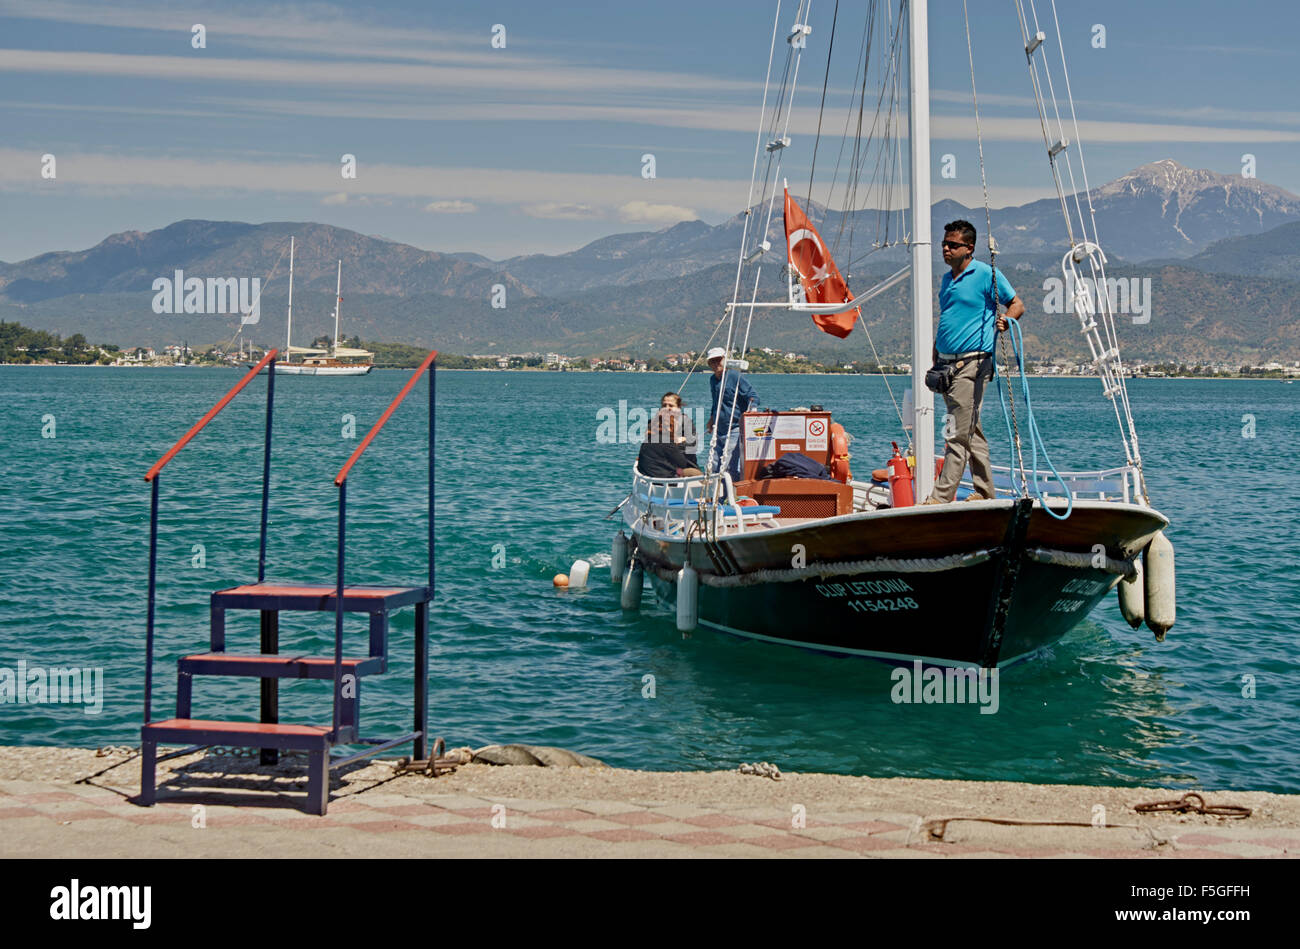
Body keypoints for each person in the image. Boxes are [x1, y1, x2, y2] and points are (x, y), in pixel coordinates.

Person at [924, 220, 1024, 504]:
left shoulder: (986, 274)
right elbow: (949, 316)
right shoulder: (947, 279)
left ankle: (939, 499)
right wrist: (936, 348)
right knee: (970, 429)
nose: (945, 248)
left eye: (952, 245)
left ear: (969, 248)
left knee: (956, 431)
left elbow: (1017, 303)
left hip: (972, 364)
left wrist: (1007, 319)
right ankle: (984, 492)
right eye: (944, 243)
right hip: (945, 364)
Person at [705, 347, 758, 482]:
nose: (716, 364)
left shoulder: (734, 376)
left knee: (728, 464)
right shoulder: (713, 380)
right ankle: (716, 494)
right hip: (719, 427)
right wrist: (711, 420)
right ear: (709, 364)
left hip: (734, 428)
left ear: (725, 360)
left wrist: (752, 411)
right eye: (712, 361)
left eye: (719, 360)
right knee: (715, 464)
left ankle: (728, 497)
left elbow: (753, 396)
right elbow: (716, 402)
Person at [636, 407, 702, 478]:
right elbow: (682, 463)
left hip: (648, 476)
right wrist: (676, 443)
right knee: (694, 472)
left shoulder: (648, 440)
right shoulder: (668, 443)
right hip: (664, 480)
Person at [660, 391, 699, 466]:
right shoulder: (657, 423)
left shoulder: (686, 422)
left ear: (678, 407)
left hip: (686, 465)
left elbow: (692, 445)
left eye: (671, 406)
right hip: (663, 467)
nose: (667, 408)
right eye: (664, 405)